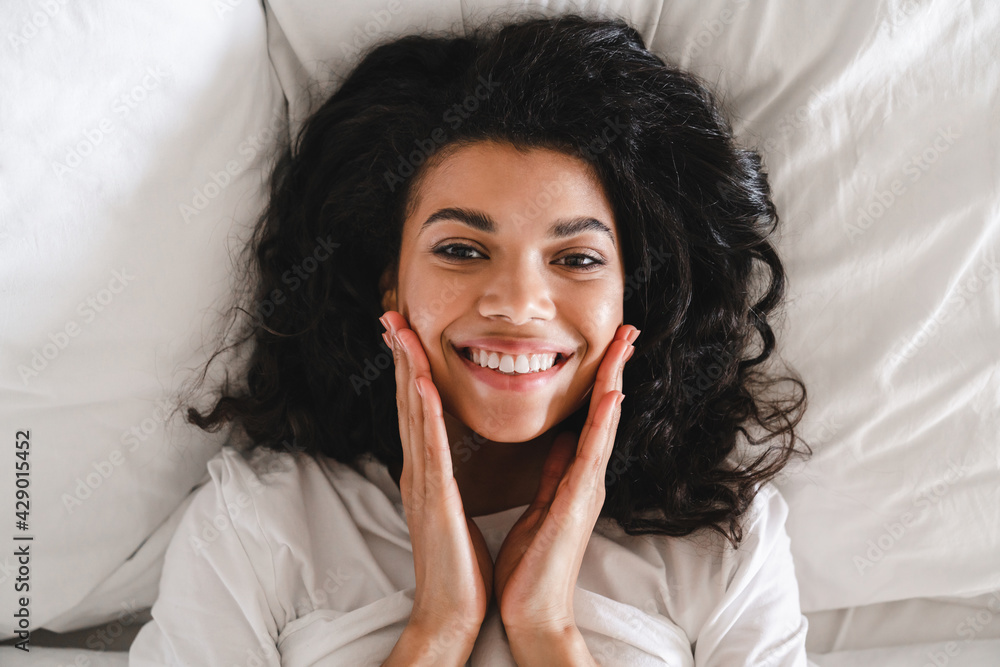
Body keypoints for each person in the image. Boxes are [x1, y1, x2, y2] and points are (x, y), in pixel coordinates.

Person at [130, 12, 812, 666]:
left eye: (576, 258)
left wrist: (547, 630)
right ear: (389, 281)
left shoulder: (725, 544)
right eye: (460, 248)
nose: (516, 304)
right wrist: (438, 627)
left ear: (634, 295)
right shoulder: (257, 524)